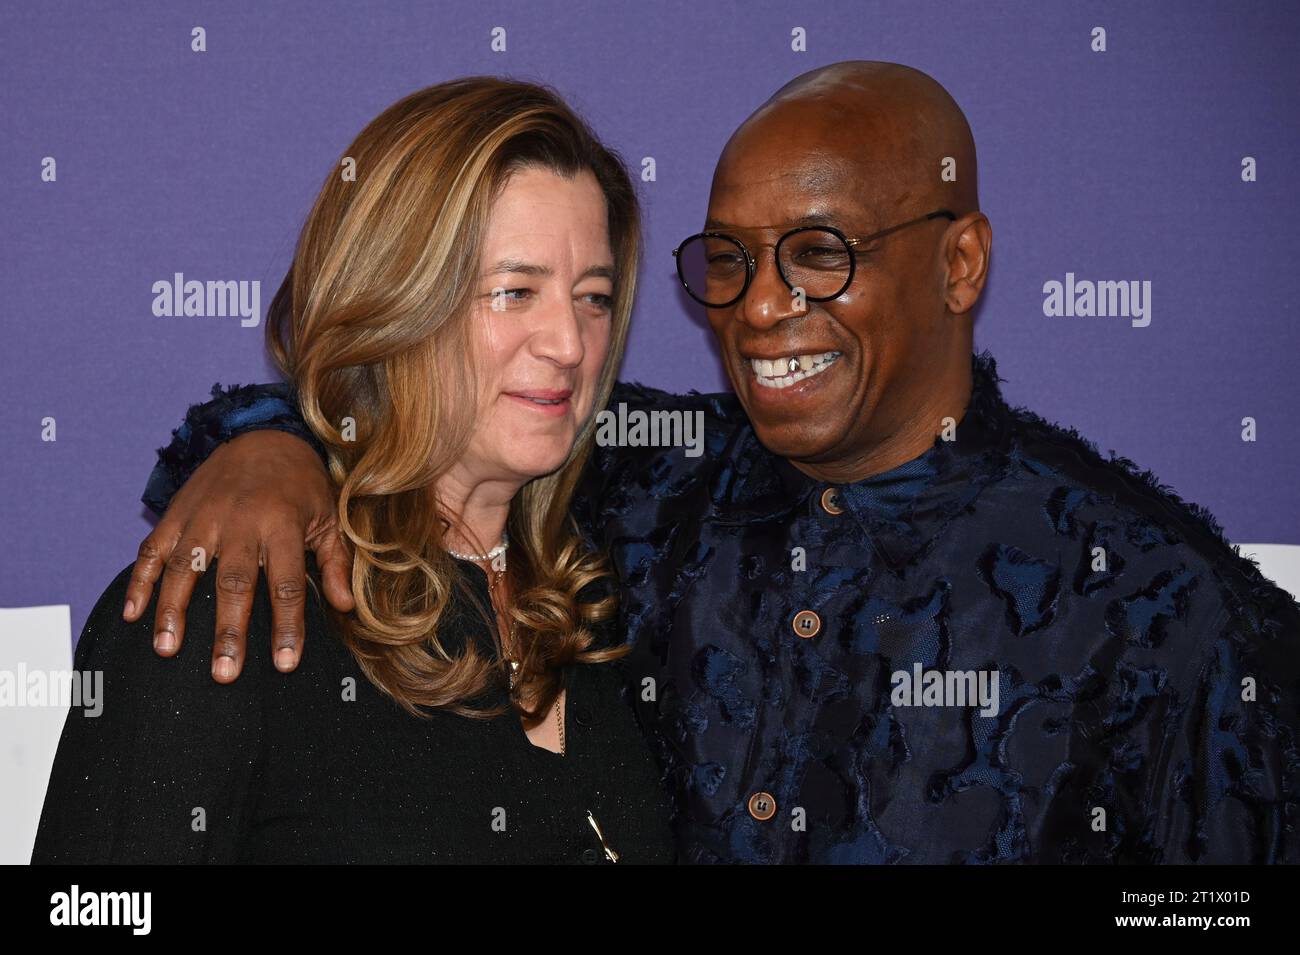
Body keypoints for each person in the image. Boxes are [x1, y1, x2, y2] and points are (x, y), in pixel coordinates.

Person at [119, 62, 1300, 864]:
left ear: (961, 264)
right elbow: (419, 403)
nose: (763, 306)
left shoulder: (1163, 606)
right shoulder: (647, 481)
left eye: (820, 253)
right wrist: (267, 451)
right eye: (727, 260)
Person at [33, 77, 675, 864]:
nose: (570, 344)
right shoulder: (233, 593)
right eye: (515, 292)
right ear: (392, 303)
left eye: (595, 297)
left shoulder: (598, 607)